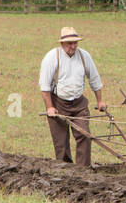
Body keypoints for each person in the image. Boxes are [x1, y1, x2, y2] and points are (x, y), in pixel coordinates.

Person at [39, 26, 106, 167]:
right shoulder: (52, 57)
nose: (73, 46)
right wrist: (50, 107)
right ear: (62, 43)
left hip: (79, 103)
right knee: (61, 142)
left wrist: (100, 101)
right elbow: (44, 86)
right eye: (70, 43)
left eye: (75, 43)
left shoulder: (84, 56)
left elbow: (94, 79)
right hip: (58, 103)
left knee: (85, 135)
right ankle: (65, 171)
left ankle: (83, 169)